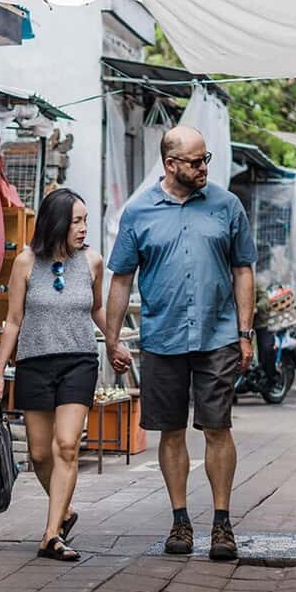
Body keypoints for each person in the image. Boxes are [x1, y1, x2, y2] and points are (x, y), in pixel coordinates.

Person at [105, 126, 258, 561]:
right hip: (162, 336)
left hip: (218, 334)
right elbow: (121, 278)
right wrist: (113, 339)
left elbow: (243, 269)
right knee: (170, 430)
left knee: (217, 426)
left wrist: (245, 333)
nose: (204, 167)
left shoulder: (227, 206)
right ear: (171, 164)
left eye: (206, 158)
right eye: (195, 161)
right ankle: (180, 520)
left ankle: (223, 523)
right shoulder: (138, 212)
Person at [0, 189, 106, 562]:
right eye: (77, 221)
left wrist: (116, 343)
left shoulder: (93, 262)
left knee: (66, 446)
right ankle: (64, 512)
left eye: (85, 220)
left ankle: (51, 534)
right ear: (56, 223)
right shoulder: (25, 262)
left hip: (79, 361)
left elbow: (98, 310)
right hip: (35, 364)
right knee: (39, 454)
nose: (84, 228)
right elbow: (14, 321)